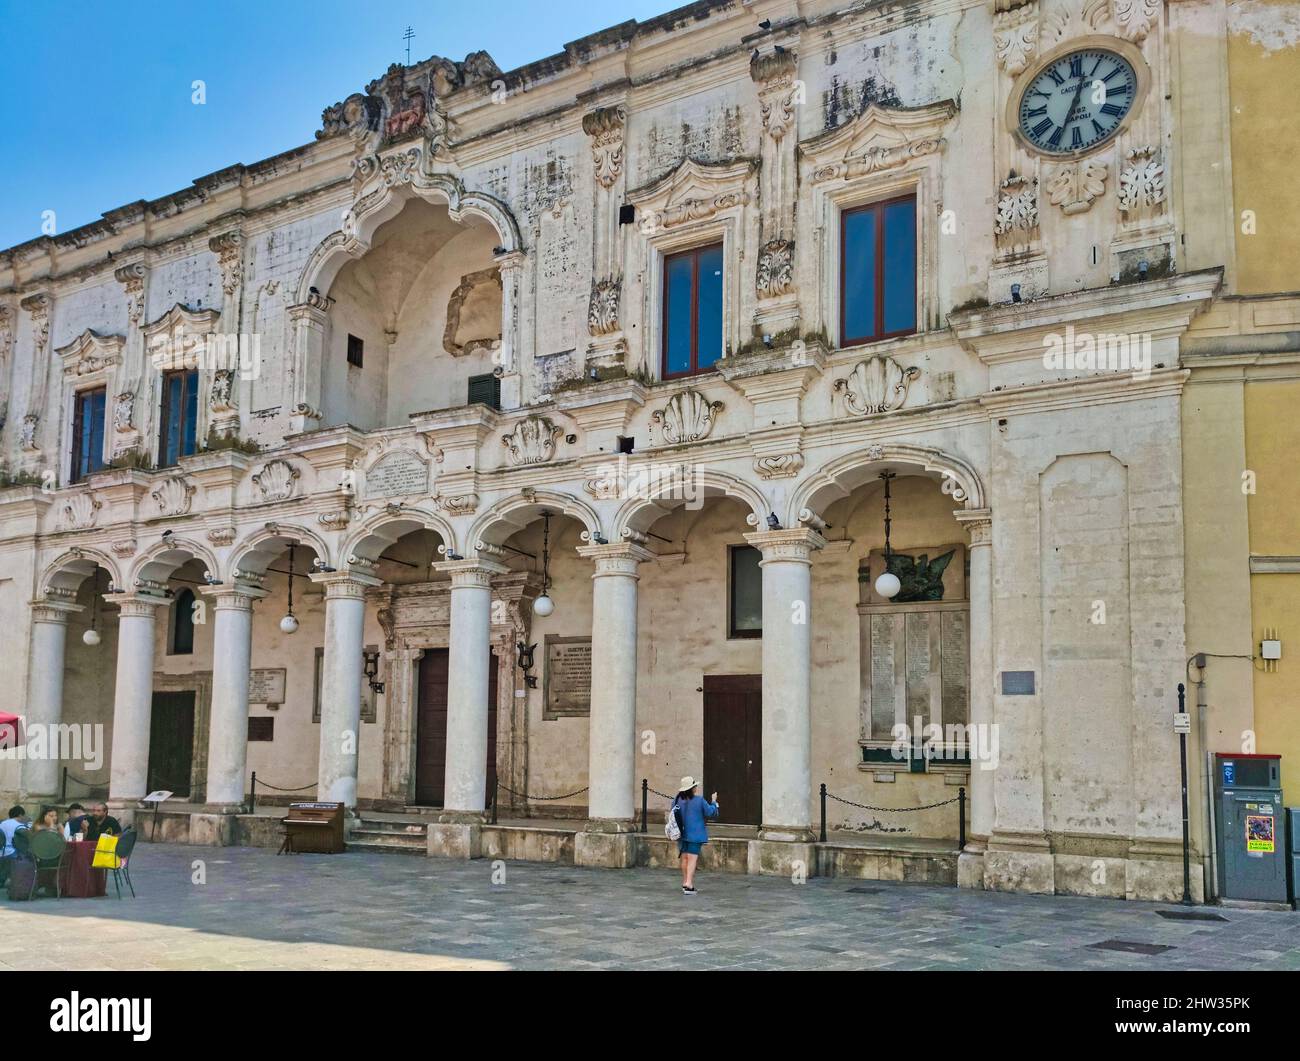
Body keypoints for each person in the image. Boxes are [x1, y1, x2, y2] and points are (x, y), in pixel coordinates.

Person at [671, 777, 718, 896]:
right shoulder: (699, 800)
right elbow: (710, 812)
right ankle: (689, 884)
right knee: (692, 859)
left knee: (685, 858)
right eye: (695, 786)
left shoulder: (676, 800)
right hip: (695, 834)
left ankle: (684, 881)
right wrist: (714, 802)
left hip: (681, 834)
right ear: (692, 788)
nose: (696, 787)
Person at [0, 805, 30, 886]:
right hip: (13, 853)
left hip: (1, 852)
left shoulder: (2, 823)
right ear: (20, 815)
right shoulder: (20, 826)